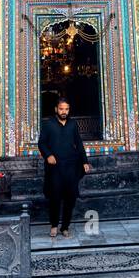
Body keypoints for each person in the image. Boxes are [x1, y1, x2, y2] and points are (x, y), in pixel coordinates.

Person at [36, 97, 91, 238]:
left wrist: (84, 161)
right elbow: (42, 143)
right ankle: (54, 225)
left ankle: (65, 227)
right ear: (56, 109)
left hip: (71, 165)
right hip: (55, 167)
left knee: (70, 197)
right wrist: (48, 155)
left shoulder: (73, 124)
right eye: (61, 109)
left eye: (66, 109)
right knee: (55, 196)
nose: (64, 111)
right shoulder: (49, 125)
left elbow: (79, 144)